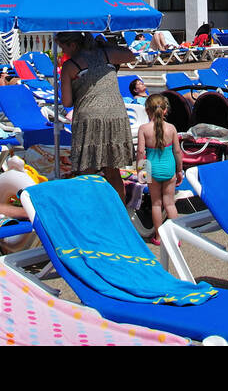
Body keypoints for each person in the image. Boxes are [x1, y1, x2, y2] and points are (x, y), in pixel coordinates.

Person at [58, 32, 137, 202]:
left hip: (89, 118)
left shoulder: (70, 66)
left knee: (87, 171)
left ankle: (90, 212)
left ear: (73, 45)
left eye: (63, 47)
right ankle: (119, 212)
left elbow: (67, 101)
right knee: (113, 171)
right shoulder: (107, 54)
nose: (62, 52)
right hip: (115, 115)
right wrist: (107, 45)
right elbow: (131, 55)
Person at [136, 93, 183, 242]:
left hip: (152, 169)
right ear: (165, 110)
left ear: (146, 110)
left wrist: (140, 171)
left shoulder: (144, 129)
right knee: (170, 203)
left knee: (156, 204)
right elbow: (177, 151)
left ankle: (158, 236)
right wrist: (179, 170)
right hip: (169, 167)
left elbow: (141, 152)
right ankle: (176, 238)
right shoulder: (171, 128)